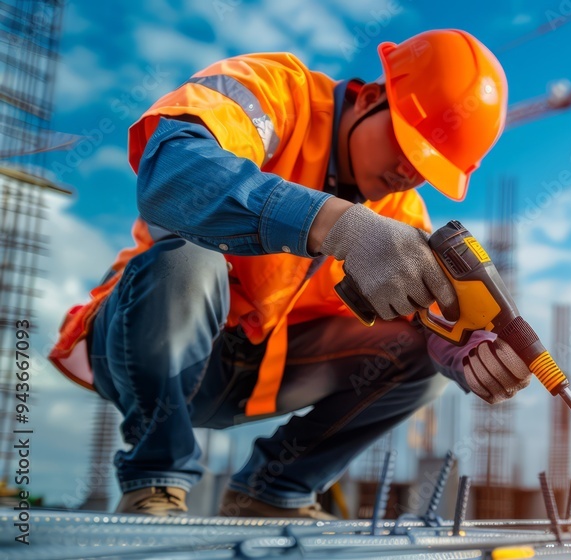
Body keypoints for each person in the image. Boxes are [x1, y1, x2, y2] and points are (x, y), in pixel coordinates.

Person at [49, 29, 534, 518]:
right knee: (187, 261)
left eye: (427, 165)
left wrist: (464, 351)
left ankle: (273, 490)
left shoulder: (401, 214)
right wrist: (336, 224)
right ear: (370, 97)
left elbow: (429, 324)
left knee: (417, 357)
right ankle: (155, 480)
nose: (410, 171)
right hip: (150, 350)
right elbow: (173, 174)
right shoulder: (274, 92)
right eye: (407, 144)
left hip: (259, 372)